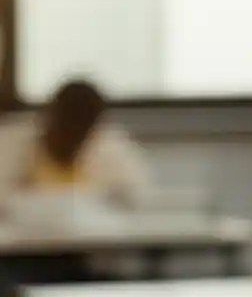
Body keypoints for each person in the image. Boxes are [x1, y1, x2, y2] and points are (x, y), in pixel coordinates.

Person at [0, 80, 150, 212]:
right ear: (50, 116)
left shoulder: (111, 148)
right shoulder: (13, 142)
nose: (69, 135)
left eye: (78, 131)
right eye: (65, 126)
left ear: (93, 128)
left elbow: (137, 198)